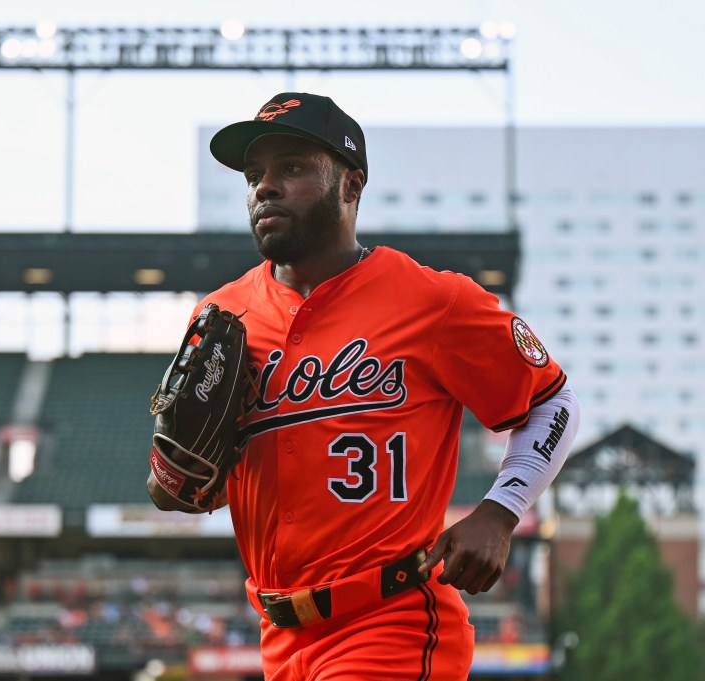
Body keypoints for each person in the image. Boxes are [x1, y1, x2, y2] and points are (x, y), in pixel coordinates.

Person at [146, 92, 579, 680]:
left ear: (350, 185)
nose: (264, 187)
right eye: (254, 175)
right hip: (280, 637)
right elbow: (194, 486)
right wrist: (179, 479)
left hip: (390, 621)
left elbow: (553, 400)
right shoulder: (223, 316)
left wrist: (502, 510)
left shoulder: (433, 301)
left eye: (291, 168)